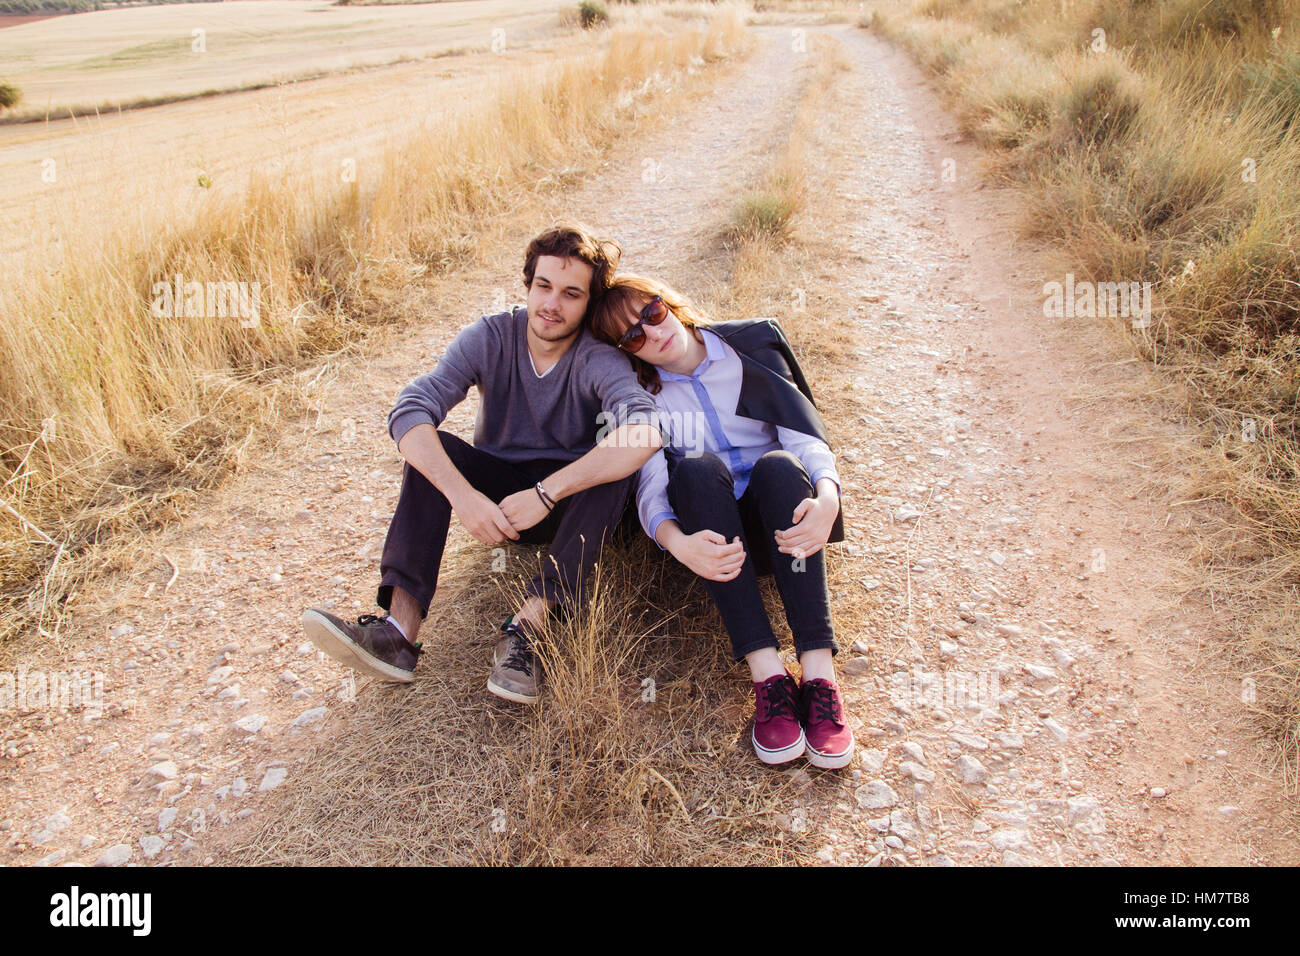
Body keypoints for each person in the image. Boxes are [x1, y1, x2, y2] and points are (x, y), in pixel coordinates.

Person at [303, 223, 663, 705]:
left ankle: (530, 628)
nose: (552, 304)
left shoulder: (598, 358)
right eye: (543, 286)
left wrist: (546, 494)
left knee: (617, 461)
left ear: (588, 303)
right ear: (529, 283)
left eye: (571, 294)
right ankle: (398, 634)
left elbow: (645, 429)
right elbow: (411, 410)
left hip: (574, 506)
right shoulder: (490, 336)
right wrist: (463, 497)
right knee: (437, 449)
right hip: (502, 499)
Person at [590, 275, 854, 769]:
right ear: (625, 353)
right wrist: (676, 543)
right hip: (713, 533)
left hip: (783, 522)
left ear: (667, 302)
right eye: (632, 336)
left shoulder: (749, 348)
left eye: (650, 313)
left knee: (777, 464)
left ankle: (819, 677)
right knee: (692, 469)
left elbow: (803, 438)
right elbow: (650, 489)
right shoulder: (642, 399)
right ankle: (768, 677)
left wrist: (827, 499)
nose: (652, 332)